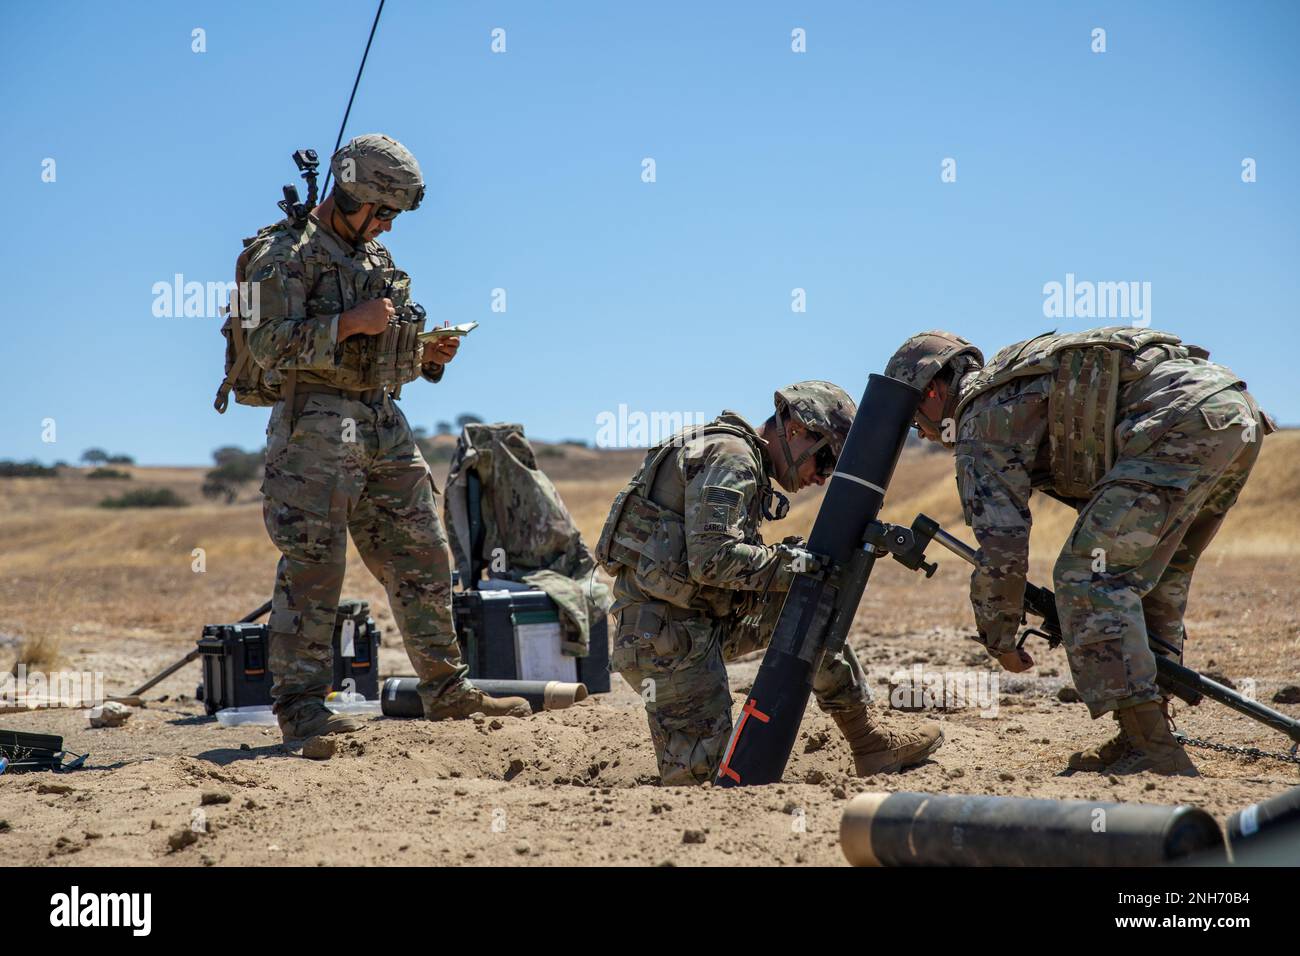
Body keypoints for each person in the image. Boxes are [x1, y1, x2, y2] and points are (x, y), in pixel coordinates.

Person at [242, 133, 530, 742]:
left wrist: (426, 354)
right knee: (315, 565)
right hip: (313, 430)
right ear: (352, 193)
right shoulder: (280, 254)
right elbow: (263, 345)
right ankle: (302, 710)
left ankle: (447, 691)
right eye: (385, 213)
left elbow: (381, 356)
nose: (389, 228)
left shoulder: (378, 264)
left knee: (423, 554)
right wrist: (347, 323)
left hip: (383, 424)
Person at [884, 327, 1273, 775]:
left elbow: (1002, 546)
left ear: (932, 392)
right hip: (1232, 415)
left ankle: (1152, 748)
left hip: (1179, 422)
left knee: (1087, 575)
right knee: (1156, 580)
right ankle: (1144, 734)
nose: (925, 433)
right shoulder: (1011, 382)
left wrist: (999, 638)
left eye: (917, 420)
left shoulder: (979, 417)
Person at [596, 382, 944, 785]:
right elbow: (714, 561)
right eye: (826, 457)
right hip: (663, 639)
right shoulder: (732, 457)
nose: (823, 476)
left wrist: (805, 568)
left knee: (809, 607)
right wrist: (799, 564)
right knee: (705, 784)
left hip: (693, 624)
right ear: (795, 429)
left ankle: (869, 743)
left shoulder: (737, 458)